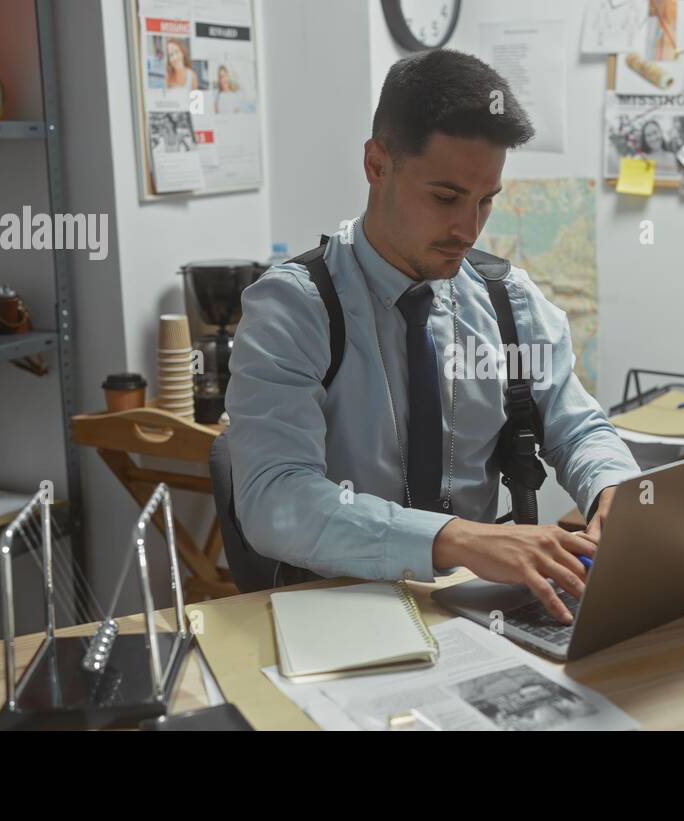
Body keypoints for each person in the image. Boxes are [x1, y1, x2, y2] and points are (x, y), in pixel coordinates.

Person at [227, 50, 640, 624]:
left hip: (479, 603)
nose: (468, 230)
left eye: (486, 201)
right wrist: (455, 538)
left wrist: (612, 489)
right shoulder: (294, 307)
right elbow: (276, 499)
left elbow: (579, 427)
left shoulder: (508, 302)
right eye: (445, 198)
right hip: (339, 606)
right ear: (377, 164)